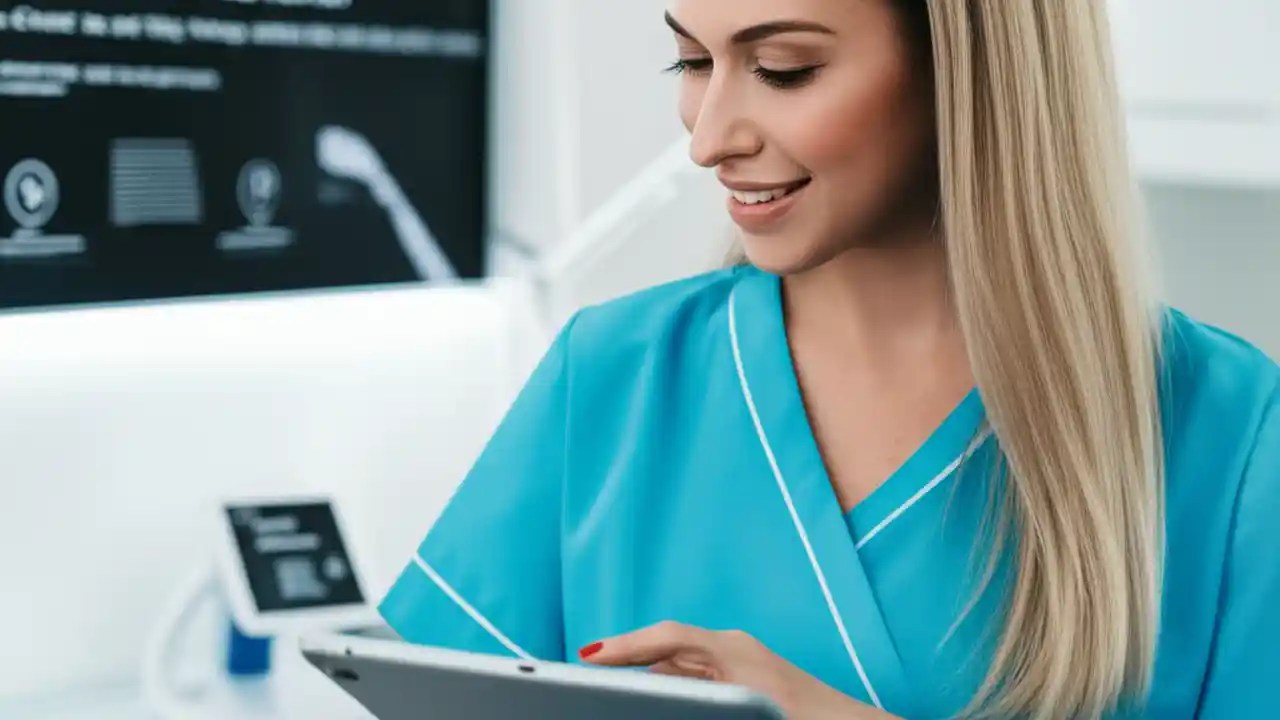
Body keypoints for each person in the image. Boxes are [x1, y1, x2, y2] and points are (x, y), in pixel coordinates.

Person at [378, 1, 1280, 717]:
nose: (708, 138)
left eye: (783, 70)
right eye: (692, 61)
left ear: (964, 70)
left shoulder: (1228, 433)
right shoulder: (609, 375)